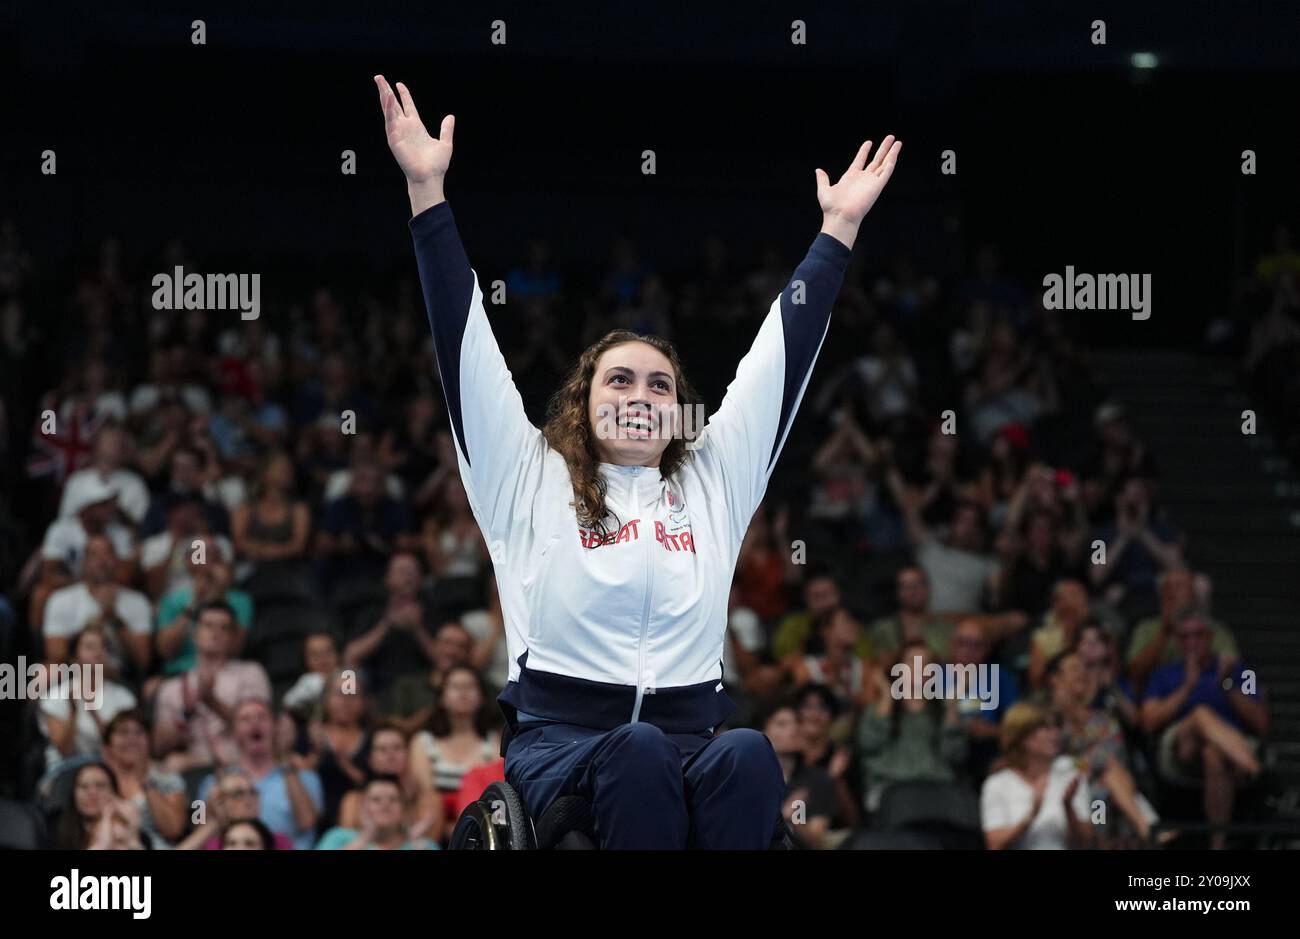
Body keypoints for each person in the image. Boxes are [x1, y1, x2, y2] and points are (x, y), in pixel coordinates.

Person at [378, 73, 900, 847]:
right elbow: (464, 346)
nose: (640, 393)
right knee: (639, 749)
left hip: (689, 737)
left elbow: (777, 362)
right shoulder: (525, 477)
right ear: (583, 403)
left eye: (660, 383)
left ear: (678, 410)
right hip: (562, 744)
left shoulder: (711, 481)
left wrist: (837, 234)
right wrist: (427, 191)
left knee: (751, 754)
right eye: (618, 378)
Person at [1141, 609, 1268, 849]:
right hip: (1181, 747)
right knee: (1200, 714)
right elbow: (1148, 721)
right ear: (1177, 641)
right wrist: (1187, 687)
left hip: (1230, 745)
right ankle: (1255, 770)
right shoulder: (1163, 674)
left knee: (1213, 755)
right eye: (1184, 636)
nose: (1192, 642)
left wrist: (1227, 685)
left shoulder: (1241, 672)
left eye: (1198, 635)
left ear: (1210, 636)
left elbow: (1261, 723)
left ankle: (1217, 844)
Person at [153, 601, 272, 771]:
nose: (216, 633)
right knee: (171, 764)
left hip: (241, 761)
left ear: (232, 638)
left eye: (224, 628)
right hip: (193, 761)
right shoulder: (173, 687)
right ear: (195, 634)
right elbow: (159, 747)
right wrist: (186, 713)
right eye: (208, 625)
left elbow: (261, 729)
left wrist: (211, 701)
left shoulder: (251, 673)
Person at [196, 699, 325, 850]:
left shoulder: (307, 777)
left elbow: (307, 821)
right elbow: (198, 829)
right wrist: (215, 812)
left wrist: (285, 759)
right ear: (233, 732)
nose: (254, 723)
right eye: (245, 719)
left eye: (262, 717)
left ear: (275, 727)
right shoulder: (210, 783)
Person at [980, 701, 1093, 849]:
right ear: (1022, 736)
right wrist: (1031, 815)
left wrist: (1068, 807)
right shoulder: (997, 784)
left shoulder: (1071, 774)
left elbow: (1087, 841)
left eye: (1056, 727)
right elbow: (994, 845)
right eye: (1046, 728)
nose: (1055, 734)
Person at [408, 664, 500, 838]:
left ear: (481, 697)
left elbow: (494, 795)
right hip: (433, 827)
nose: (463, 693)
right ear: (442, 698)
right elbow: (425, 793)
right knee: (431, 801)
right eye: (455, 687)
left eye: (470, 687)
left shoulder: (493, 743)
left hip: (478, 826)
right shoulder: (423, 742)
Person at [99, 710, 188, 845]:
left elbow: (173, 829)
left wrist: (145, 782)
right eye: (123, 733)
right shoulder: (97, 780)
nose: (131, 739)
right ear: (109, 743)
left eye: (139, 733)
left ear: (149, 741)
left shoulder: (167, 779)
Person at [315, 775, 438, 849]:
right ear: (363, 807)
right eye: (376, 800)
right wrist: (363, 840)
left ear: (403, 808)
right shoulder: (338, 837)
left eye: (393, 799)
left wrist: (412, 842)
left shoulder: (424, 845)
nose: (385, 805)